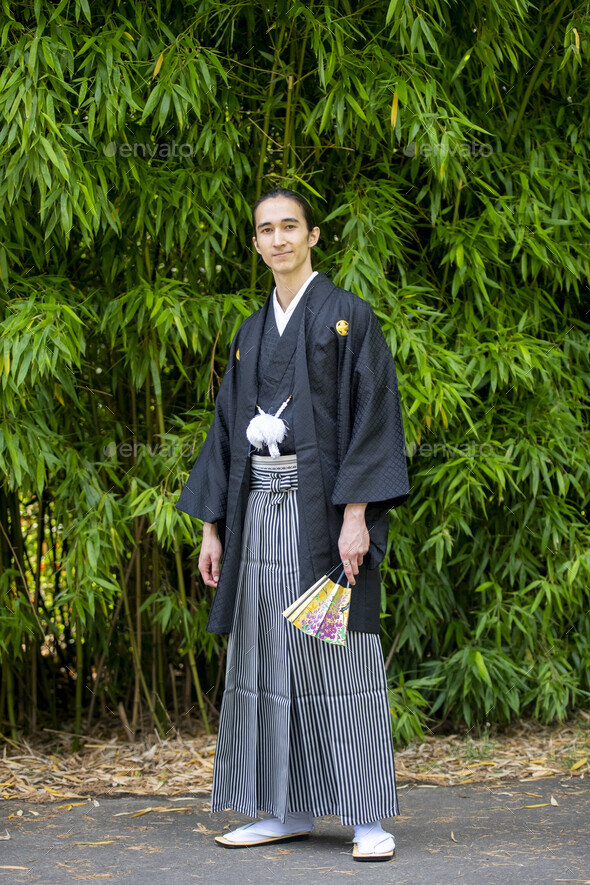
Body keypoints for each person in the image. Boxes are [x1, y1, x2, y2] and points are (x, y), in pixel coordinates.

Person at [175, 188, 410, 862]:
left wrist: (357, 516)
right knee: (266, 659)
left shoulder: (348, 317)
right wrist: (212, 528)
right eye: (265, 230)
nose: (277, 239)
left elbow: (373, 415)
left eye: (289, 227)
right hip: (256, 516)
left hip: (324, 520)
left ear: (313, 236)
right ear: (255, 244)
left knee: (342, 655)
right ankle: (284, 809)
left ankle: (368, 815)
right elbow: (225, 433)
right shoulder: (250, 333)